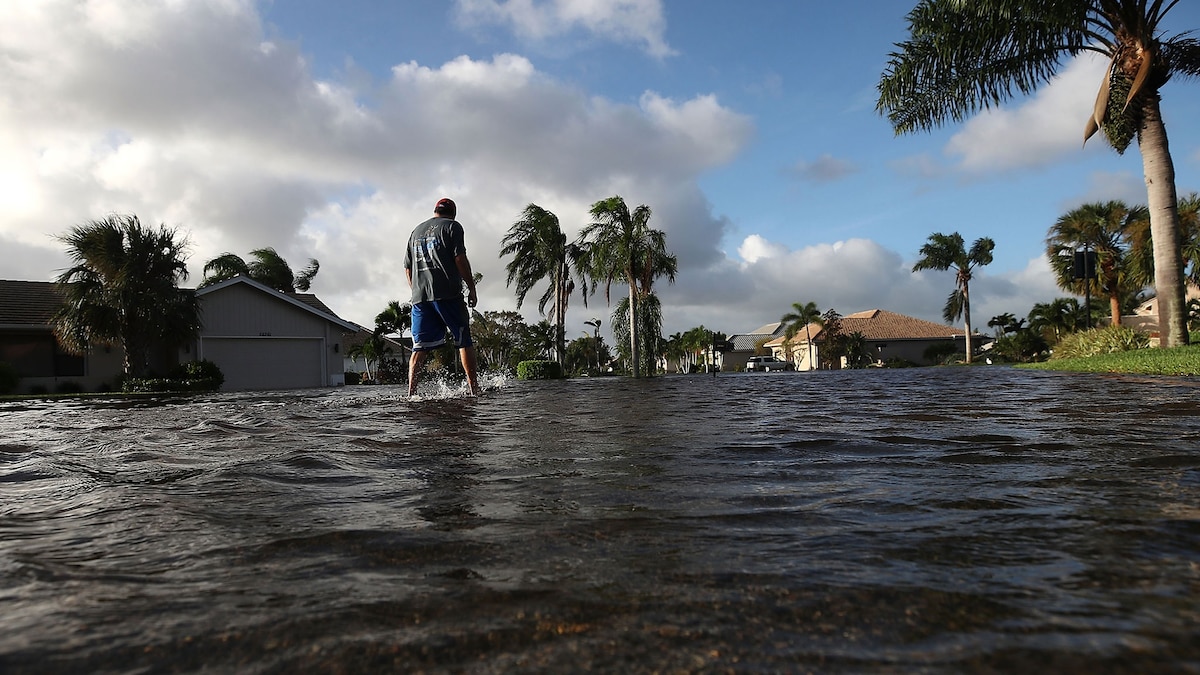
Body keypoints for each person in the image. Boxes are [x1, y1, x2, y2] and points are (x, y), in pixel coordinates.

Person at [404, 197, 481, 396]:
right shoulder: (453, 227)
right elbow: (459, 258)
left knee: (419, 347)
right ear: (453, 213)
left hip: (420, 298)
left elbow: (408, 268)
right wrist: (471, 288)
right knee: (463, 339)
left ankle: (411, 393)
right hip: (447, 294)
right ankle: (474, 389)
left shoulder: (416, 231)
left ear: (435, 211)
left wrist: (416, 290)